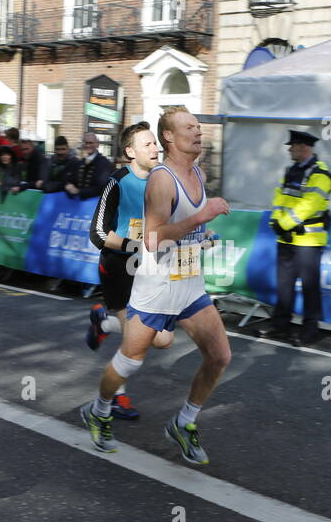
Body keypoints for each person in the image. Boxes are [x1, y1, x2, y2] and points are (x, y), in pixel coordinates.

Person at [80, 109, 230, 466]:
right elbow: (152, 238)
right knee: (130, 361)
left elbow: (184, 227)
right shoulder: (161, 180)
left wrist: (201, 235)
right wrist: (200, 217)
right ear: (169, 137)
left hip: (189, 282)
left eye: (198, 126)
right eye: (189, 128)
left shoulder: (198, 172)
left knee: (220, 355)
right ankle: (99, 410)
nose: (197, 132)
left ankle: (184, 422)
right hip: (157, 285)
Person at [86, 121, 174, 420]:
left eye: (155, 143)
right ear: (130, 151)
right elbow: (97, 233)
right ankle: (115, 398)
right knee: (136, 339)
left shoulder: (163, 179)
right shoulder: (118, 180)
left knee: (163, 340)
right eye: (148, 144)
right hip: (118, 266)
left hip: (148, 267)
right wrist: (133, 245)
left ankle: (103, 324)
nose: (155, 148)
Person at [259, 129, 331, 347]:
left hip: (308, 241)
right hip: (286, 238)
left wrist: (283, 224)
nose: (290, 149)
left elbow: (311, 204)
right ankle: (280, 324)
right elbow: (280, 198)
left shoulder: (320, 173)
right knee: (284, 286)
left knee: (310, 287)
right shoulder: (290, 170)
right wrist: (275, 220)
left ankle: (311, 330)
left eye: (293, 146)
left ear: (304, 147)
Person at [66, 130, 112, 199]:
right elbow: (72, 179)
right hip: (80, 204)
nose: (88, 145)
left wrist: (79, 191)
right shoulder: (80, 162)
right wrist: (69, 185)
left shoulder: (104, 163)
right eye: (86, 143)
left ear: (97, 144)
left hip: (95, 205)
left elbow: (102, 187)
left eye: (91, 143)